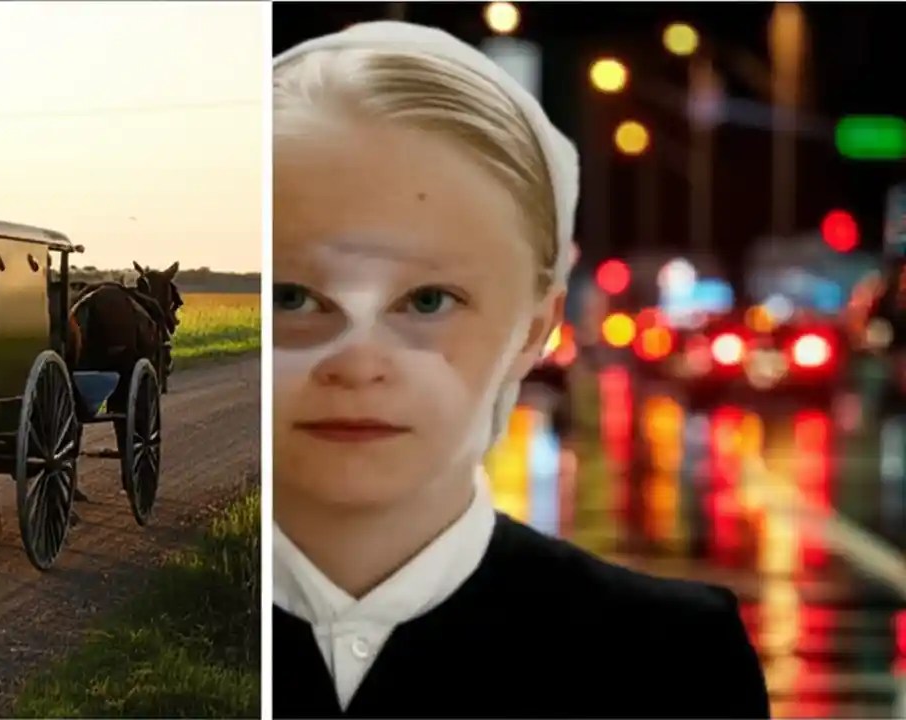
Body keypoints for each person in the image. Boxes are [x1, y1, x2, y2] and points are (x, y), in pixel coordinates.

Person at [272, 21, 770, 719]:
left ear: (533, 328)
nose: (358, 363)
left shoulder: (669, 660)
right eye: (291, 296)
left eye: (428, 300)